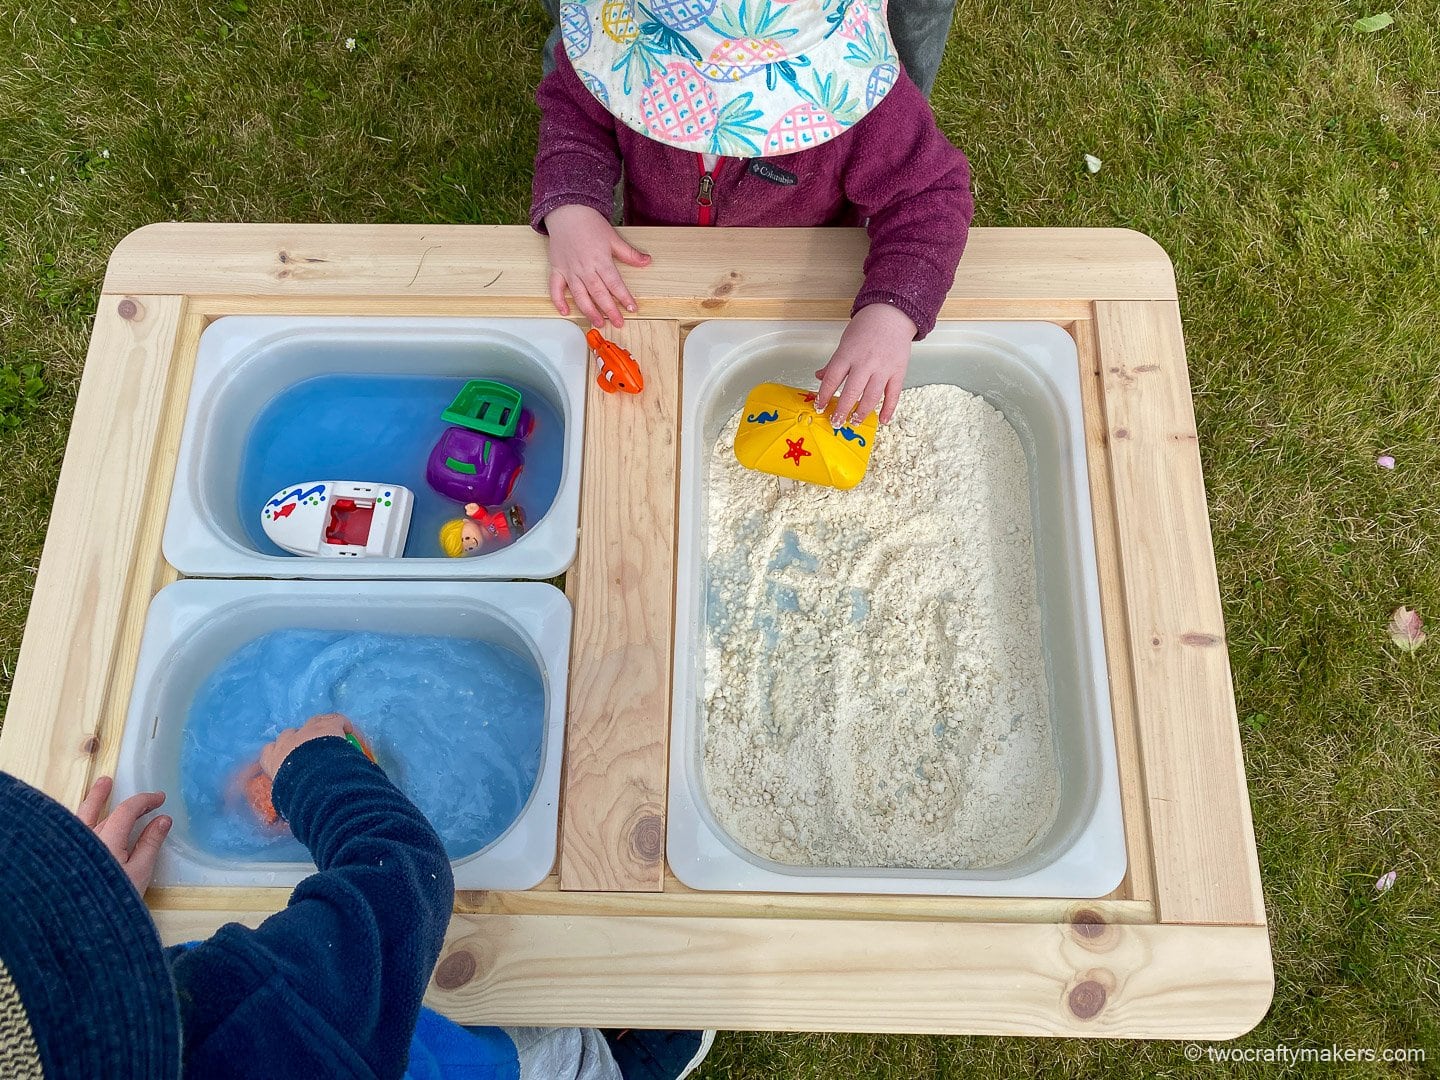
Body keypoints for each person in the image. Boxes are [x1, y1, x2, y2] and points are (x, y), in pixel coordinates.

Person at [0, 713, 709, 1078]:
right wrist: (313, 766)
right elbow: (397, 884)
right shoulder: (245, 1035)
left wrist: (86, 926)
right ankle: (607, 1064)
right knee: (519, 1064)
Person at [532, 0, 972, 426]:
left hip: (797, 298)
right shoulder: (618, 61)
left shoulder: (869, 109)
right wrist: (572, 205)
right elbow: (576, 116)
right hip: (658, 272)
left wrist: (892, 314)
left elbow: (930, 195)